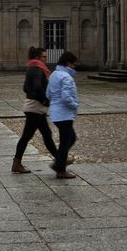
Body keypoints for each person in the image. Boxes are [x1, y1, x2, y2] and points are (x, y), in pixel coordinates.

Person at [11, 45, 58, 174]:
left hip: (34, 106)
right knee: (27, 136)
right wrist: (44, 99)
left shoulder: (32, 67)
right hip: (35, 107)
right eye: (44, 57)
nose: (45, 60)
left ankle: (60, 160)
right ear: (38, 57)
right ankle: (17, 162)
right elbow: (37, 86)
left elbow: (25, 88)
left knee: (46, 135)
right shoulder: (37, 69)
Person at [47, 50, 80, 179]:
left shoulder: (54, 74)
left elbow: (48, 94)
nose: (75, 66)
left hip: (56, 113)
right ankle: (60, 169)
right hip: (64, 114)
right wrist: (75, 105)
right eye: (74, 64)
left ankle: (59, 164)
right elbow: (66, 97)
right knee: (67, 140)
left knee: (69, 138)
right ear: (68, 63)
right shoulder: (66, 77)